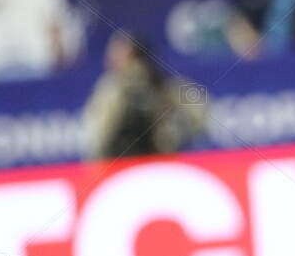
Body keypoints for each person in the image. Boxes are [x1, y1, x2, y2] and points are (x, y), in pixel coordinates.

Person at [80, 30, 206, 160]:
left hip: (159, 160)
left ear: (135, 55)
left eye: (120, 53)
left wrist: (173, 133)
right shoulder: (111, 89)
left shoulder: (163, 85)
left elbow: (199, 113)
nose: (111, 58)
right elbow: (97, 135)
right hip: (119, 162)